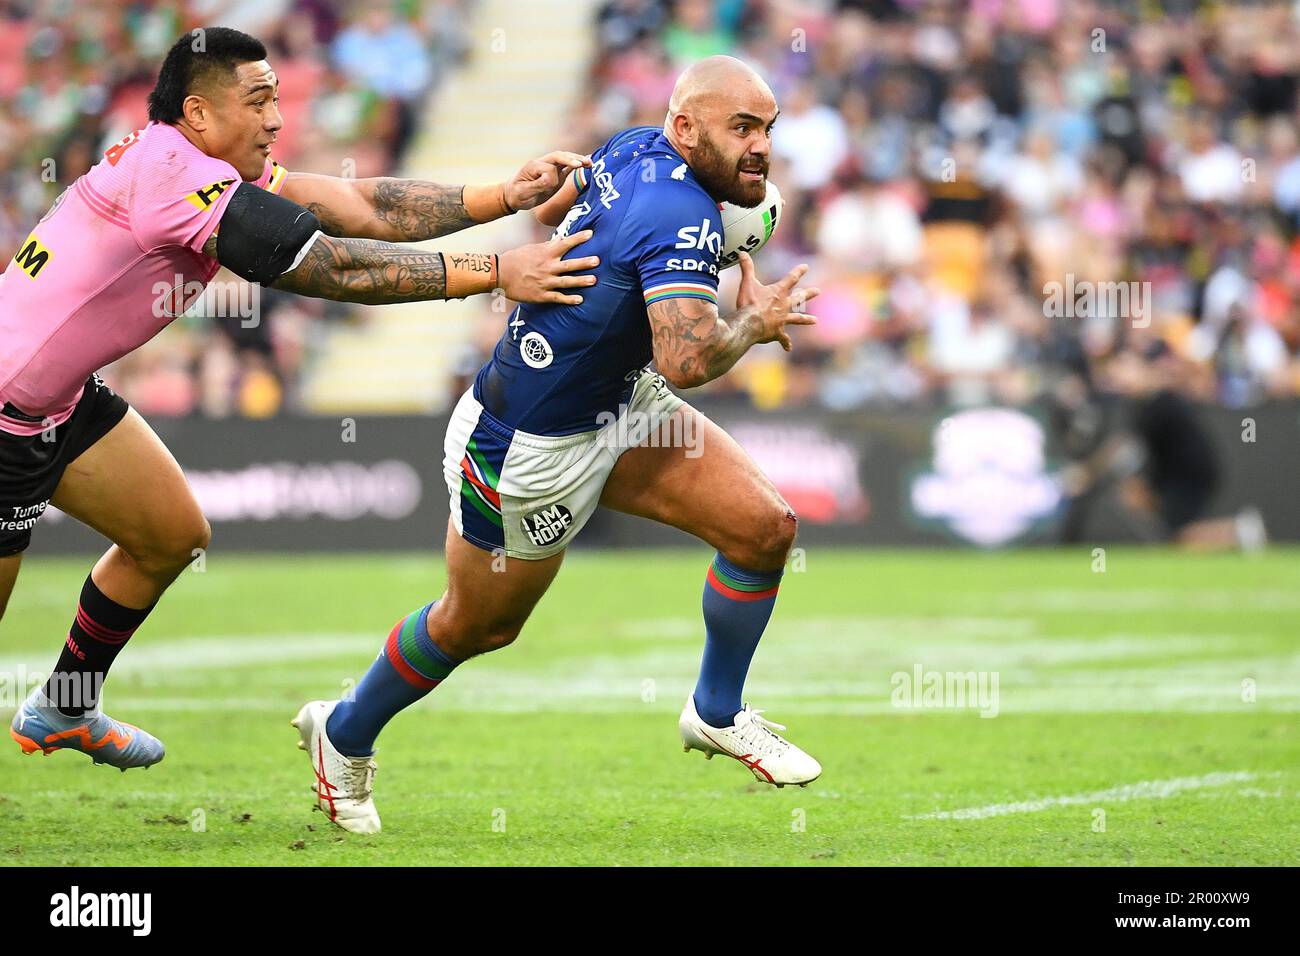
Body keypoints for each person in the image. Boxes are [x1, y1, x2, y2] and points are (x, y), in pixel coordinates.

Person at [4, 27, 598, 770]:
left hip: (59, 398)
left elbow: (357, 205)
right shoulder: (173, 177)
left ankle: (64, 705)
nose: (277, 119)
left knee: (168, 536)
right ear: (197, 113)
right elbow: (331, 268)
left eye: (278, 99)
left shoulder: (202, 165)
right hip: (6, 413)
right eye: (257, 101)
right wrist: (496, 270)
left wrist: (502, 196)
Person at [295, 55, 822, 833]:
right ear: (686, 128)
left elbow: (550, 217)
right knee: (477, 625)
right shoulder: (681, 214)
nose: (761, 147)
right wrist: (753, 323)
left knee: (763, 528)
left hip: (620, 400)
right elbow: (685, 358)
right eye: (741, 127)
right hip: (527, 447)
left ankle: (716, 710)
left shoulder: (635, 143)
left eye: (767, 129)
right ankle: (342, 732)